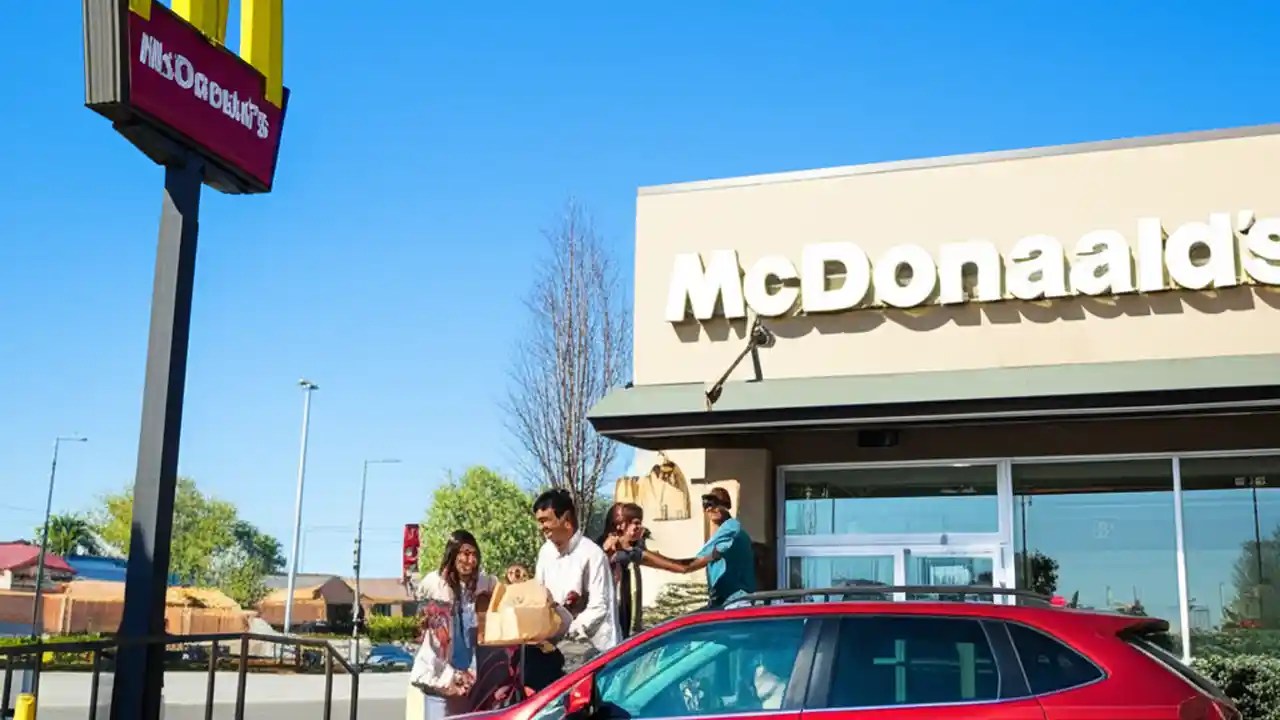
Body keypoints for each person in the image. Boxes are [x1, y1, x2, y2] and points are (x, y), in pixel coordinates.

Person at [531, 488, 621, 682]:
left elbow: (599, 607)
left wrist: (567, 629)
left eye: (545, 520)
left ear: (566, 519)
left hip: (595, 653)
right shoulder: (545, 553)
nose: (541, 527)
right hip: (557, 654)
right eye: (539, 521)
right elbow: (539, 597)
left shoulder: (592, 554)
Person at [409, 530, 500, 718]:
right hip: (440, 677)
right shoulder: (433, 583)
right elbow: (419, 630)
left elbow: (501, 595)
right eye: (466, 553)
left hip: (471, 679)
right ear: (453, 553)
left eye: (475, 555)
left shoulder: (484, 583)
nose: (470, 560)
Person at [596, 502, 716, 638]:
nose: (639, 528)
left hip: (624, 626)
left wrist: (711, 557)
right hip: (603, 627)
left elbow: (679, 566)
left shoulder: (633, 553)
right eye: (635, 523)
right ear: (621, 525)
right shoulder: (600, 551)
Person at [696, 488, 757, 608]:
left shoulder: (731, 529)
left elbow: (697, 561)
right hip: (727, 600)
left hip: (735, 601)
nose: (709, 509)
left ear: (726, 506)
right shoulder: (722, 532)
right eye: (706, 505)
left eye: (714, 504)